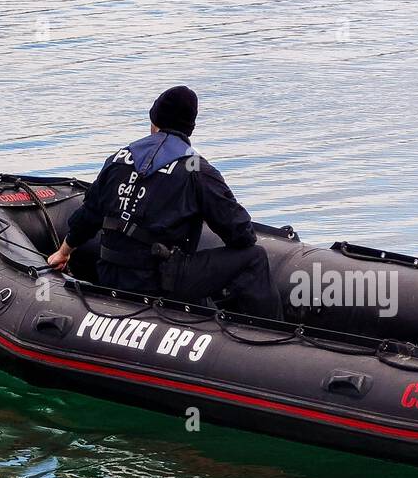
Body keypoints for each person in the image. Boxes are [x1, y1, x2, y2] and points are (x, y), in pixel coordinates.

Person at [47, 86, 282, 319]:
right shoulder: (197, 169)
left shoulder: (118, 159)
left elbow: (87, 216)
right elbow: (242, 235)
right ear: (190, 127)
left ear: (154, 119)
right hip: (158, 282)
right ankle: (272, 333)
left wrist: (63, 253)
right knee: (254, 257)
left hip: (109, 273)